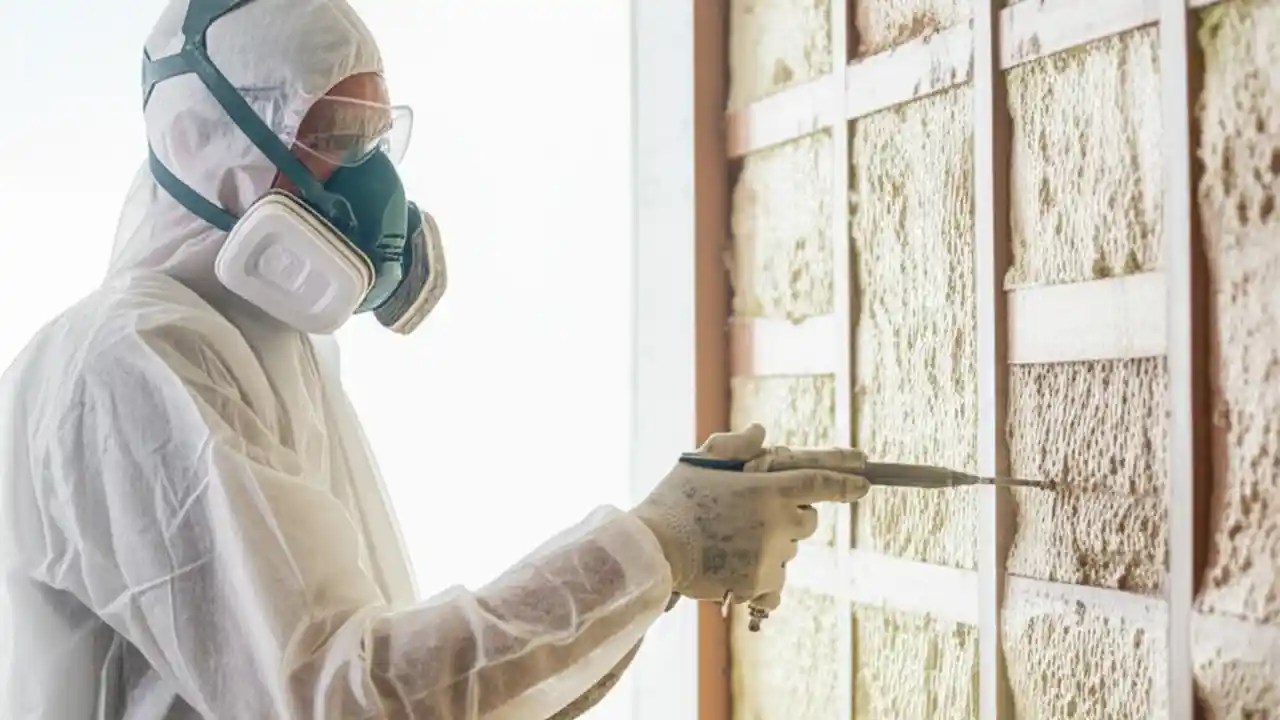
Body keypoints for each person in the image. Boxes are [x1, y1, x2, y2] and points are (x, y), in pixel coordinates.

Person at [0, 1, 869, 718]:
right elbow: (343, 699)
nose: (374, 186)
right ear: (209, 148)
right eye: (336, 136)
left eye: (378, 140)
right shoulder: (130, 365)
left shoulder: (275, 355)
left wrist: (667, 559)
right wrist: (658, 547)